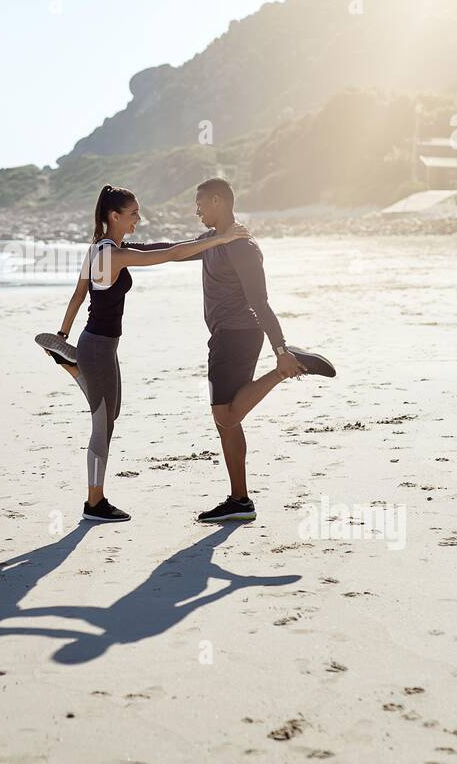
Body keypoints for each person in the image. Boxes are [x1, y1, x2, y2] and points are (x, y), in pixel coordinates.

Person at [35, 184, 250, 523]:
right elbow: (166, 255)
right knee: (102, 424)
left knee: (112, 413)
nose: (139, 218)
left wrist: (63, 332)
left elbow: (81, 294)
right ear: (114, 216)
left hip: (100, 345)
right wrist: (220, 240)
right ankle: (95, 502)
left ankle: (73, 363)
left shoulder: (99, 250)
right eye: (133, 213)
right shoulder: (113, 255)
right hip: (98, 346)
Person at [137, 177, 336, 523]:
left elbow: (260, 300)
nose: (196, 210)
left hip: (237, 335)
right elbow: (170, 249)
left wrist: (280, 349)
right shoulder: (212, 240)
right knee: (226, 422)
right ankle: (240, 500)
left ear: (217, 201)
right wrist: (121, 248)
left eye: (200, 203)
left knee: (225, 416)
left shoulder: (241, 246)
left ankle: (287, 368)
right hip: (225, 335)